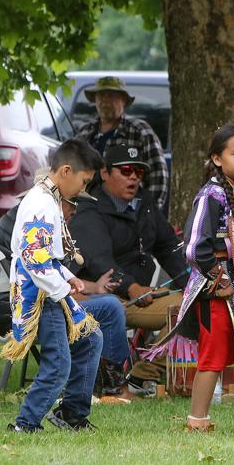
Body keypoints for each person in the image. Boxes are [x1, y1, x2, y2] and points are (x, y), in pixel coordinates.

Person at [149, 125, 234, 433]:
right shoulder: (210, 195)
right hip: (217, 291)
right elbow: (194, 247)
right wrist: (219, 279)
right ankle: (197, 421)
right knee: (213, 355)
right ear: (216, 158)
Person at [1, 139, 105, 433]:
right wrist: (61, 290)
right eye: (84, 181)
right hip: (40, 294)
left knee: (91, 338)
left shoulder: (49, 198)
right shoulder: (42, 204)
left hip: (49, 286)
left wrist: (67, 275)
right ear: (66, 171)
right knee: (58, 364)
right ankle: (25, 424)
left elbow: (44, 253)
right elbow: (33, 259)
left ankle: (71, 414)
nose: (83, 189)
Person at [70, 145, 188, 398]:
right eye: (125, 170)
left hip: (140, 296)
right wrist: (131, 286)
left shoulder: (144, 203)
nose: (133, 177)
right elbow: (99, 261)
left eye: (138, 172)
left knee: (191, 305)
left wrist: (192, 282)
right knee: (181, 310)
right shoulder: (89, 208)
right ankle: (129, 380)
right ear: (105, 173)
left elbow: (168, 247)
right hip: (101, 296)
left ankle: (141, 376)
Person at [0, 194, 131, 399]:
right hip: (28, 313)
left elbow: (51, 273)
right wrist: (84, 295)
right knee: (111, 307)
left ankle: (83, 393)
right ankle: (114, 389)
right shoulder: (40, 222)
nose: (74, 212)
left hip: (5, 310)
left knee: (101, 311)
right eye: (73, 203)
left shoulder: (17, 218)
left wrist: (93, 288)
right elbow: (44, 279)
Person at [76, 76, 169, 211]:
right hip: (88, 213)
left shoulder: (140, 131)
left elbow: (158, 177)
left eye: (111, 96)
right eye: (101, 96)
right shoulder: (84, 133)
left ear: (124, 101)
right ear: (95, 100)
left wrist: (148, 214)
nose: (105, 101)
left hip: (127, 214)